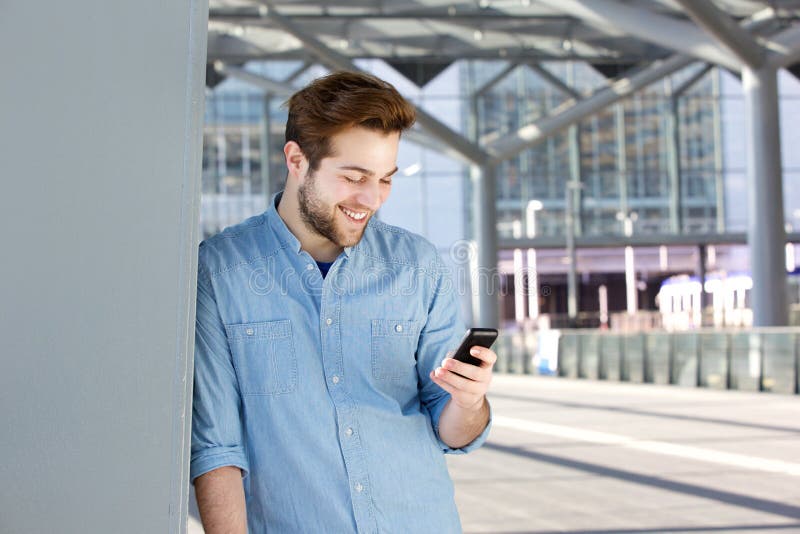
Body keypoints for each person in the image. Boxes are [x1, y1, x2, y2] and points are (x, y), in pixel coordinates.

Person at [191, 70, 495, 534]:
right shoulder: (219, 271)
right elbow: (217, 448)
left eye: (385, 180)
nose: (371, 199)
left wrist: (469, 402)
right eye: (354, 177)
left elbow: (452, 430)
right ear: (297, 160)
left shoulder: (417, 265)